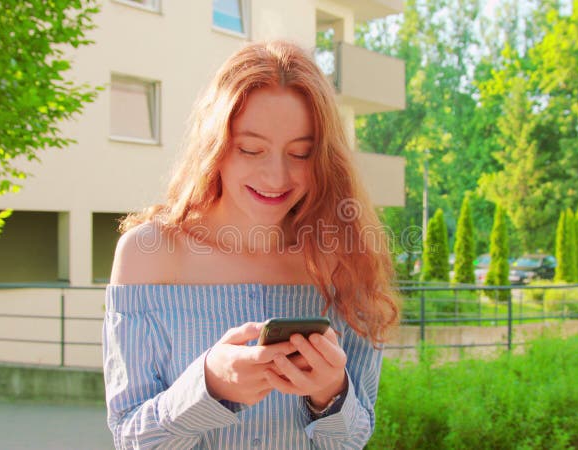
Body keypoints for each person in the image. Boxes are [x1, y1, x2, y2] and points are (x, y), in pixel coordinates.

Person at [103, 40, 400, 449]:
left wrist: (332, 393)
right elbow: (130, 439)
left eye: (301, 153)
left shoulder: (346, 258)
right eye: (251, 149)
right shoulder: (147, 255)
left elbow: (351, 441)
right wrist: (207, 386)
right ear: (215, 146)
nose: (276, 177)